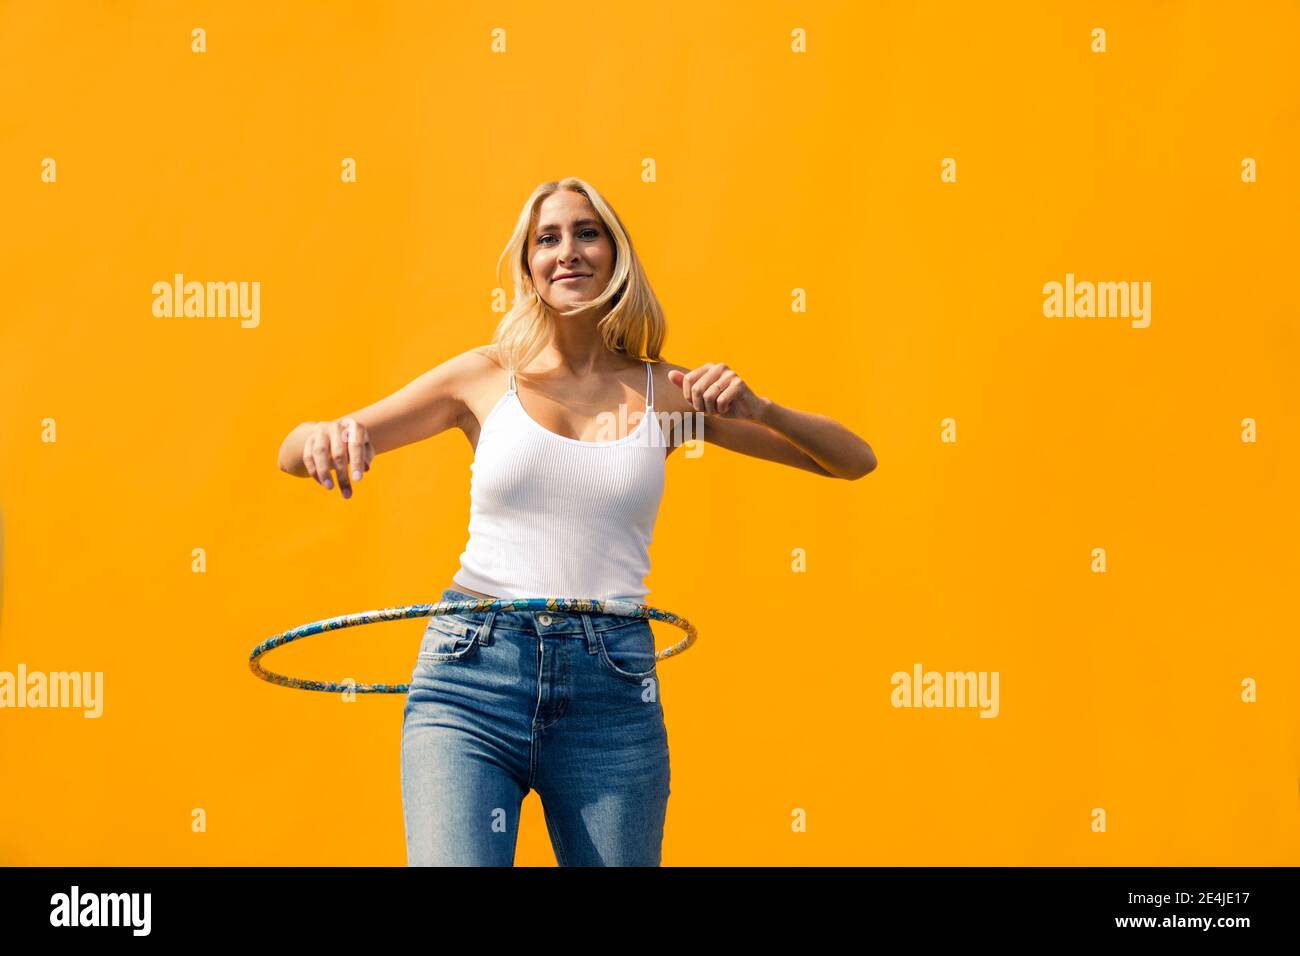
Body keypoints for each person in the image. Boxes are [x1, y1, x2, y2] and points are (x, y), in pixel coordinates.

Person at [276, 177, 877, 866]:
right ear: (527, 265)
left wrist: (763, 409)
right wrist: (322, 437)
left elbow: (853, 461)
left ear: (617, 254)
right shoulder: (482, 378)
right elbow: (293, 453)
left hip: (611, 690)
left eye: (587, 232)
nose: (568, 252)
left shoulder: (668, 394)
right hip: (472, 673)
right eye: (547, 238)